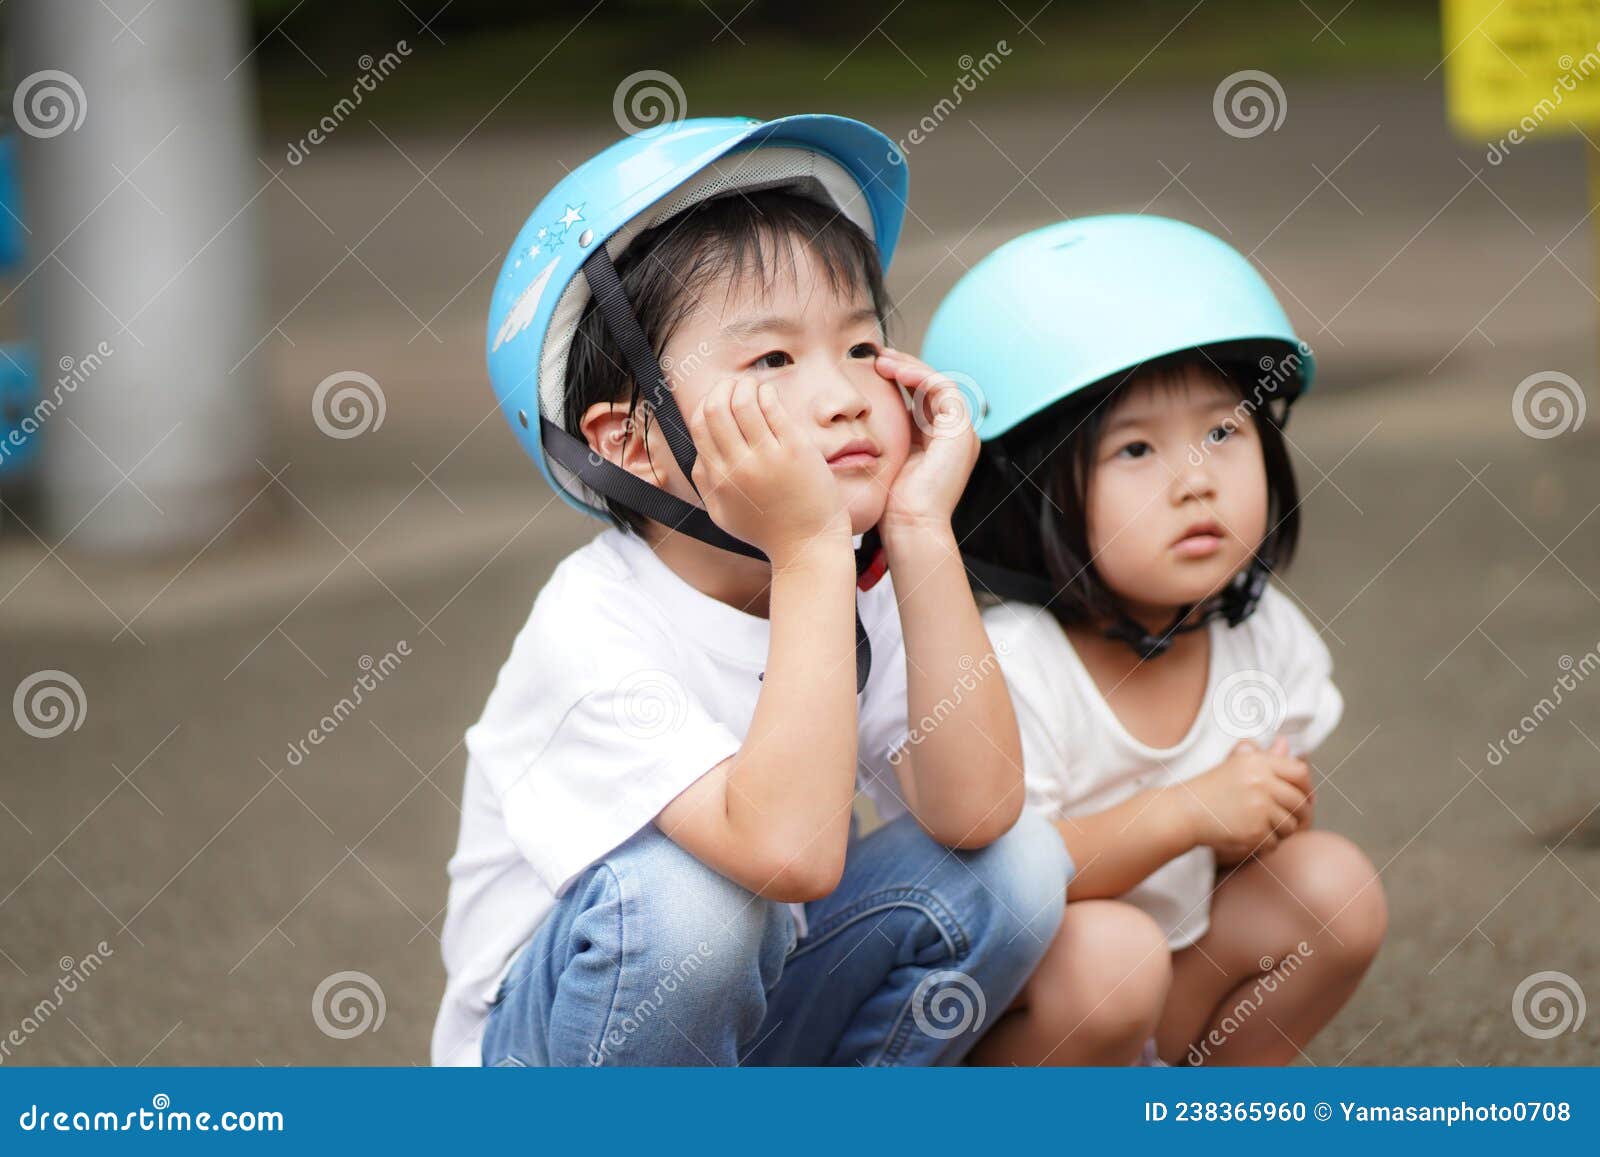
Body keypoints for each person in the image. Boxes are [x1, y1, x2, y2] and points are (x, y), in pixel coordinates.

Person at [430, 115, 1067, 1067]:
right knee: (698, 901)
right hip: (564, 1054)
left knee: (1019, 867)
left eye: (861, 348)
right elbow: (789, 855)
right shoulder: (593, 624)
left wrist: (925, 531)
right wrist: (810, 549)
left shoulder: (863, 575)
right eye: (773, 359)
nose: (848, 392)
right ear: (629, 444)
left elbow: (975, 812)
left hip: (741, 1020)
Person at [925, 216, 1387, 1066]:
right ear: (1025, 494)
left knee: (1334, 887)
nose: (1195, 480)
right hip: (1043, 1014)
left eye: (1224, 430)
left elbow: (1255, 853)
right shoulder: (1014, 662)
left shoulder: (1263, 633)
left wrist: (1262, 817)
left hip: (1166, 993)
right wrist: (1191, 808)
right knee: (1111, 959)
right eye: (1135, 447)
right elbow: (1004, 886)